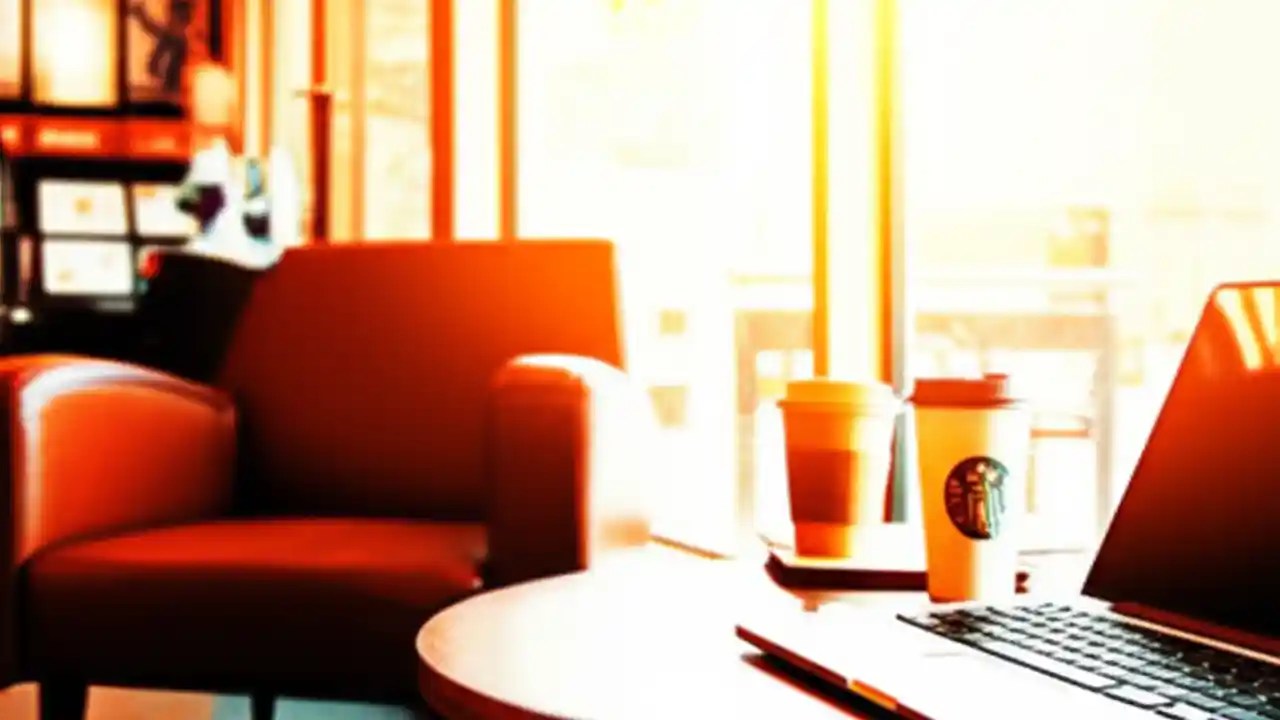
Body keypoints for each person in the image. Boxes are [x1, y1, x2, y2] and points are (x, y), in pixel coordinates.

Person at [128, 0, 194, 96]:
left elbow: (154, 28)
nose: (168, 21)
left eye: (172, 18)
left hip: (171, 95)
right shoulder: (168, 37)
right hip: (163, 91)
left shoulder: (179, 42)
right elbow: (152, 27)